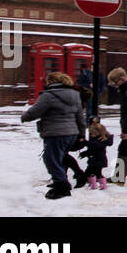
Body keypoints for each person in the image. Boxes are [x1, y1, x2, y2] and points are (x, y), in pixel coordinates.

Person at [20, 71, 87, 199]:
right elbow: (80, 117)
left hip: (55, 133)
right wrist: (82, 134)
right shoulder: (75, 94)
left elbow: (35, 111)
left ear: (51, 81)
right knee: (60, 157)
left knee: (51, 160)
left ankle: (62, 187)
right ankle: (63, 182)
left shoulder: (49, 95)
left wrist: (25, 117)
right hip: (71, 133)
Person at [81, 117, 115, 189]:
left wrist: (85, 143)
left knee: (90, 173)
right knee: (97, 173)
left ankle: (94, 185)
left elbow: (94, 147)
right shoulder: (103, 138)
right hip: (100, 159)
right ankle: (102, 185)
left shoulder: (98, 139)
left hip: (96, 160)